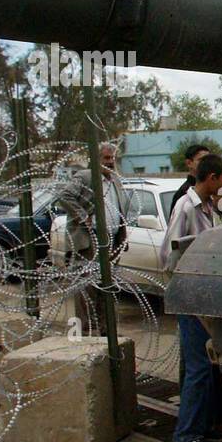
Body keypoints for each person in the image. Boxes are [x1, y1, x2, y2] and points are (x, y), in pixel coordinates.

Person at [159, 153, 222, 442]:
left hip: (206, 296)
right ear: (212, 178)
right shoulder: (186, 207)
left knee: (208, 366)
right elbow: (169, 254)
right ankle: (186, 434)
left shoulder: (208, 208)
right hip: (191, 296)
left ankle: (202, 427)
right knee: (198, 368)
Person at [59, 142, 131, 336]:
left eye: (113, 158)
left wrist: (122, 237)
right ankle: (87, 331)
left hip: (112, 241)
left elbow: (120, 209)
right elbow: (64, 196)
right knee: (88, 289)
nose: (111, 162)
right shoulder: (86, 176)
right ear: (96, 159)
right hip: (91, 242)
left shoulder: (114, 181)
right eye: (106, 158)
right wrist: (82, 216)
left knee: (107, 288)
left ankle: (108, 332)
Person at [170, 143, 210, 215]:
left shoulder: (212, 188)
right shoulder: (184, 193)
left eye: (209, 160)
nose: (206, 163)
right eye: (201, 160)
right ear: (189, 163)